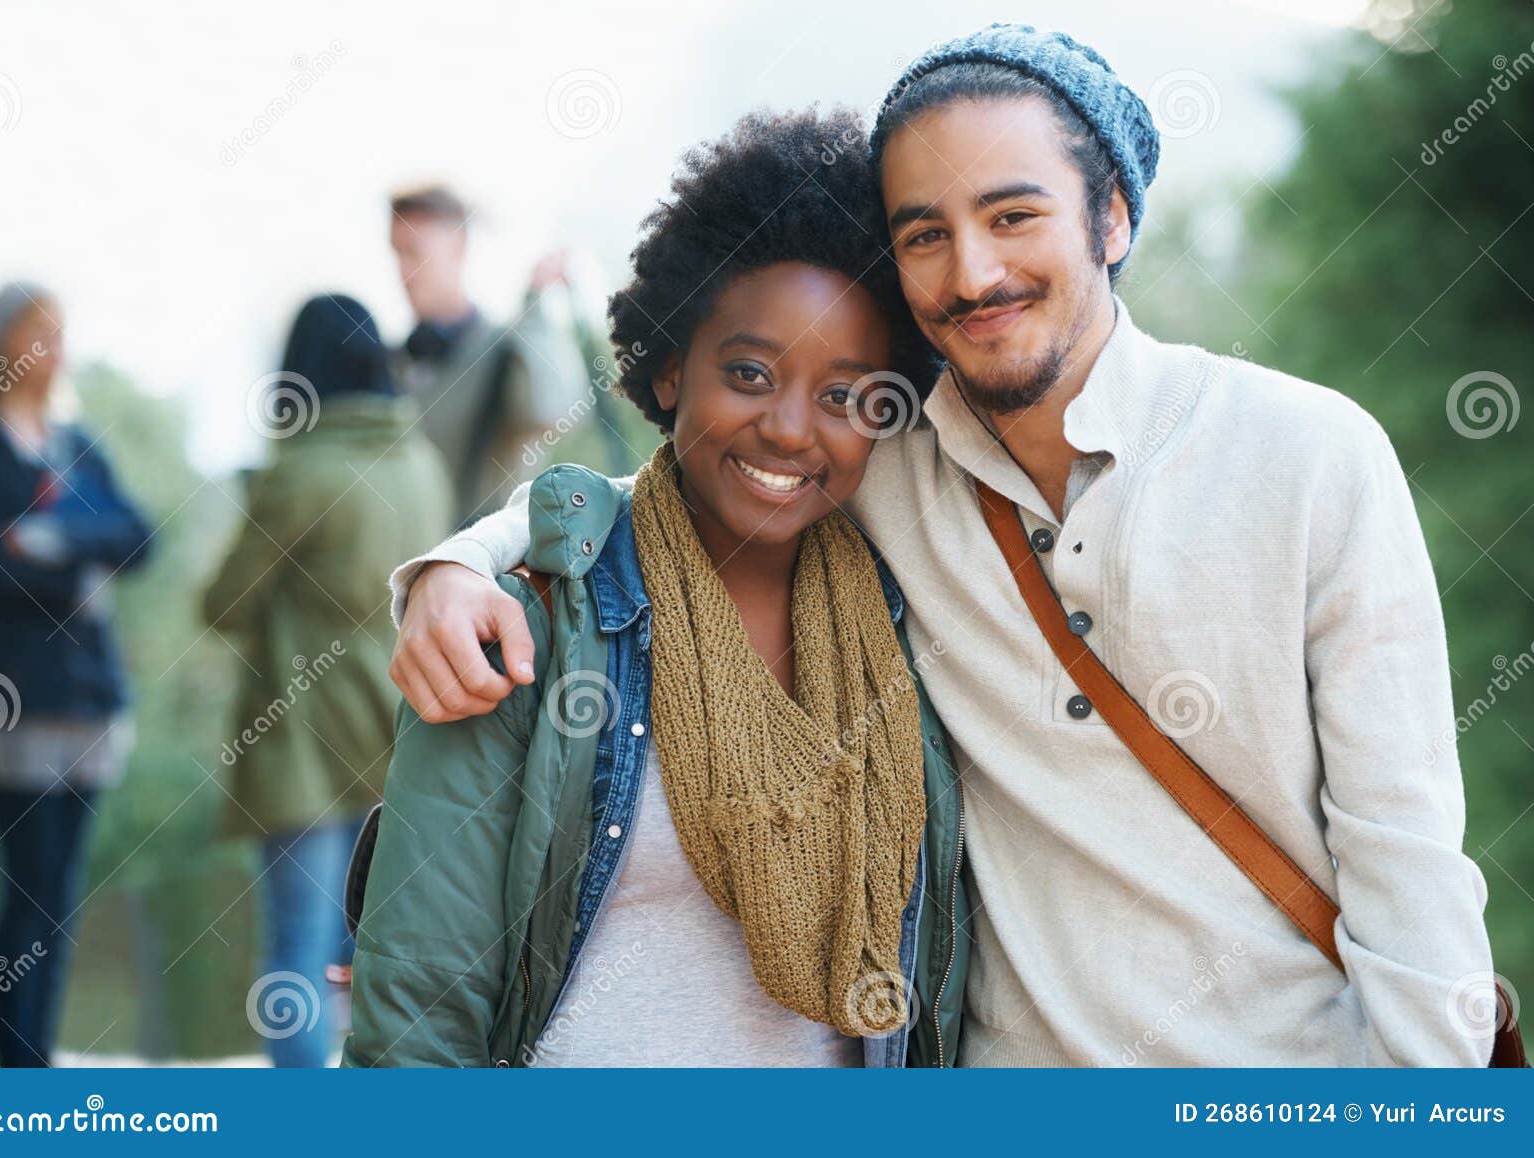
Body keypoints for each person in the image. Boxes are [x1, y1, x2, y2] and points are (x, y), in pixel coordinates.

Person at [384, 24, 1501, 1066]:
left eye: (1013, 216)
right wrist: (456, 566)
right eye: (925, 235)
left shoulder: (1309, 456)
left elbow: (1403, 860)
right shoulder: (888, 461)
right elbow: (688, 477)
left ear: (1110, 216)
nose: (970, 274)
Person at [344, 109, 968, 1068]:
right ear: (672, 367)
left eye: (844, 394)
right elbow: (420, 1013)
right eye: (751, 372)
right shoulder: (526, 622)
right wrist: (455, 566)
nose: (794, 429)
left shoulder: (906, 616)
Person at [203, 294, 451, 1067]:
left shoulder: (299, 472)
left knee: (297, 958)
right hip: (403, 739)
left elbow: (224, 605)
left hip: (302, 744)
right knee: (378, 963)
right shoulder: (422, 465)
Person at [0, 282, 152, 1066]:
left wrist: (50, 538)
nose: (53, 351)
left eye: (60, 334)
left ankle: (38, 1057)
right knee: (26, 883)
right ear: (1, 344)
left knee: (60, 892)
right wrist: (81, 565)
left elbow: (139, 535)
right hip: (10, 703)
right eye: (38, 334)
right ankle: (14, 1059)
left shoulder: (75, 443)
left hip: (87, 700)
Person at [388, 185, 593, 526]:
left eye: (414, 252)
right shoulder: (393, 362)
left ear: (459, 246)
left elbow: (553, 411)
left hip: (482, 570)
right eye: (396, 253)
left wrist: (536, 305)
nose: (403, 273)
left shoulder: (507, 349)